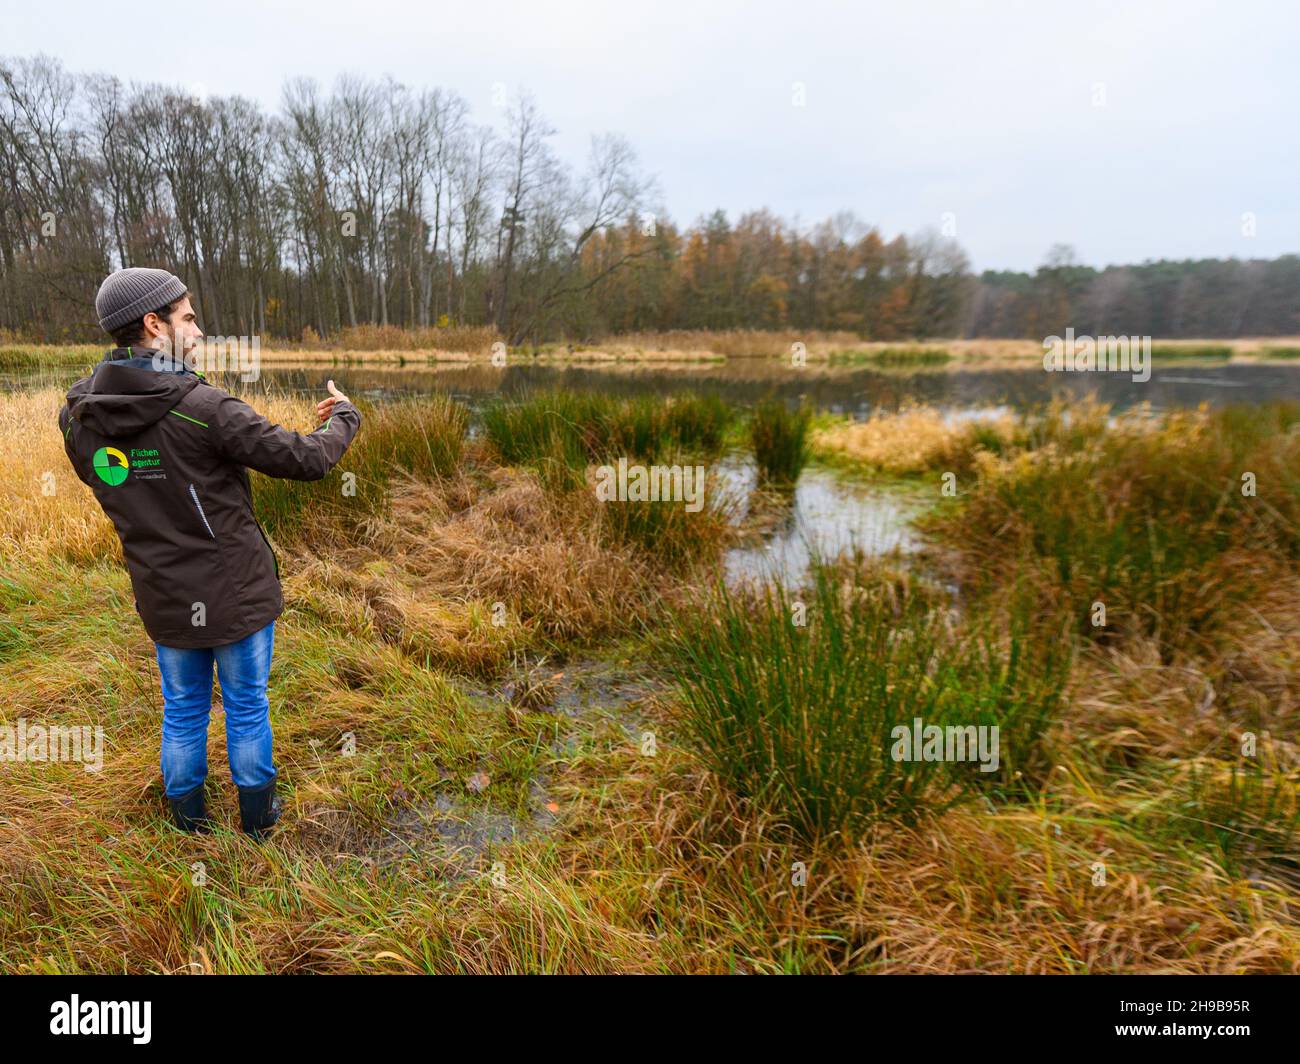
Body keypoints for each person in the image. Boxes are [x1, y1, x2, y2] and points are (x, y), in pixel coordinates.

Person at [58, 267, 362, 839]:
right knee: (246, 707)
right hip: (235, 595)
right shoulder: (203, 407)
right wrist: (346, 418)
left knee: (183, 710)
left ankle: (190, 830)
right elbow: (306, 460)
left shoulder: (78, 418)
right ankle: (258, 829)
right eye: (188, 318)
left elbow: (112, 486)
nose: (198, 332)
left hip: (163, 595)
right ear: (154, 325)